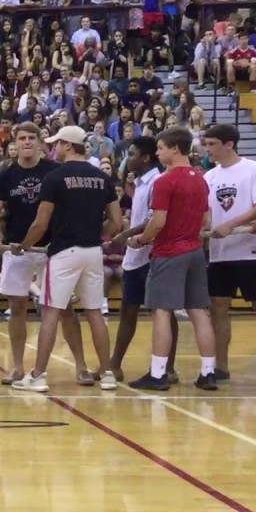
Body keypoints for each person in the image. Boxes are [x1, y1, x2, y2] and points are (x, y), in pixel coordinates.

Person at [12, 126, 122, 392]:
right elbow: (117, 222)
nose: (53, 148)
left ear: (68, 145)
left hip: (63, 252)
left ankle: (38, 375)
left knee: (51, 312)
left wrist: (24, 246)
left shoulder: (55, 177)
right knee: (95, 311)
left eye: (56, 144)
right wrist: (97, 235)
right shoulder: (101, 177)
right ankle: (107, 373)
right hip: (94, 252)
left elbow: (41, 223)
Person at [0, 122, 91, 384]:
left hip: (51, 249)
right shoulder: (5, 175)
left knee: (64, 308)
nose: (26, 142)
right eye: (21, 138)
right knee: (17, 309)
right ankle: (17, 366)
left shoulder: (55, 171)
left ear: (39, 142)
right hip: (16, 248)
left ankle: (81, 366)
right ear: (14, 142)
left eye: (31, 138)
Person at [126, 127, 218, 391]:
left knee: (162, 312)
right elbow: (205, 219)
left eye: (161, 148)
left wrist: (141, 240)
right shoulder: (200, 179)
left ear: (174, 149)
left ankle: (158, 374)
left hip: (169, 252)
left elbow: (158, 221)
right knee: (199, 311)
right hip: (195, 250)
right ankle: (208, 373)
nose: (157, 152)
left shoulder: (165, 181)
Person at [199, 123, 256, 386]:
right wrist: (202, 226)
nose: (207, 150)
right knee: (218, 308)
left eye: (212, 144)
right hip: (220, 254)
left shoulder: (254, 169)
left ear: (228, 144)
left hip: (252, 252)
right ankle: (221, 367)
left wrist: (231, 224)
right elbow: (207, 214)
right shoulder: (209, 177)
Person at [109, 136, 179, 381]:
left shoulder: (157, 182)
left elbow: (154, 219)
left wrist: (125, 234)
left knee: (163, 312)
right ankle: (114, 364)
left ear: (146, 157)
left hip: (153, 255)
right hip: (134, 256)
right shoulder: (139, 183)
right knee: (128, 310)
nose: (128, 158)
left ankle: (168, 368)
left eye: (132, 153)